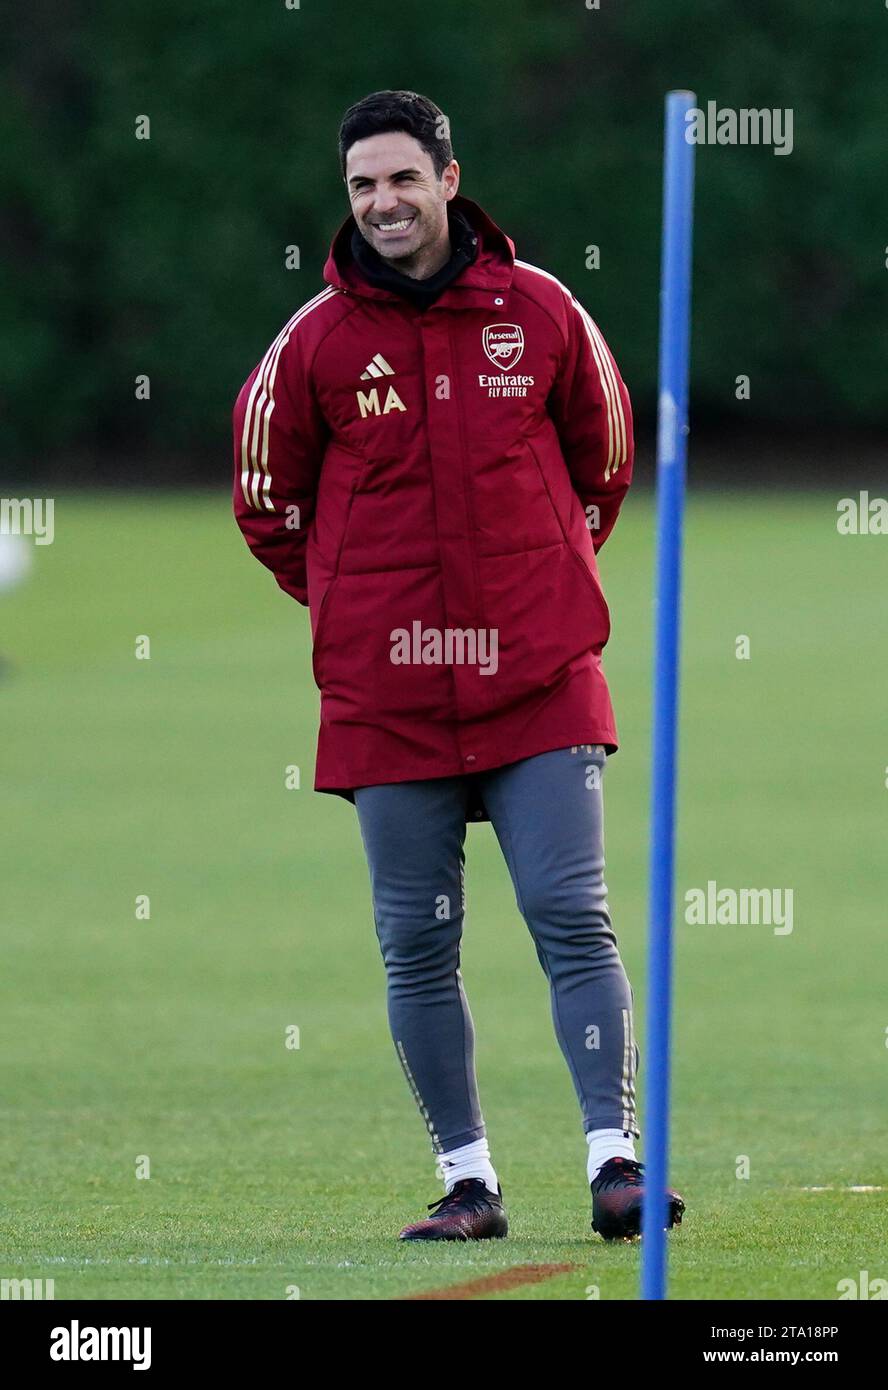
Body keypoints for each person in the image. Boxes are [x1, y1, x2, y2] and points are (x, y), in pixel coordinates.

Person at [233, 89, 684, 1242]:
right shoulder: (317, 341)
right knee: (418, 942)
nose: (382, 202)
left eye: (400, 178)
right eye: (360, 186)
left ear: (447, 178)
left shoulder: (539, 311)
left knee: (568, 914)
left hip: (539, 682)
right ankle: (468, 1180)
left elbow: (607, 458)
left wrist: (538, 590)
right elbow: (266, 503)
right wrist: (348, 605)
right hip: (387, 704)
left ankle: (616, 1162)